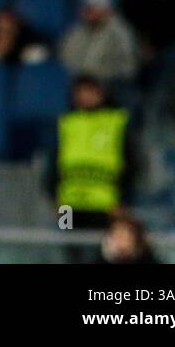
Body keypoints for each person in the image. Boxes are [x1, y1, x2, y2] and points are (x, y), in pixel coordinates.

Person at [46, 75, 141, 243]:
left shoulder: (116, 121)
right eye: (81, 91)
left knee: (102, 248)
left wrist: (124, 201)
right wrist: (55, 198)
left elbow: (132, 165)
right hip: (68, 205)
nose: (85, 96)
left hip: (105, 204)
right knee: (68, 245)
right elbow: (53, 164)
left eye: (90, 90)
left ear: (101, 93)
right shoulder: (66, 123)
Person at [59, 0, 140, 91]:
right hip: (81, 83)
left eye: (94, 8)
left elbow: (129, 67)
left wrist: (98, 79)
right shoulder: (76, 31)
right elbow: (66, 59)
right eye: (87, 8)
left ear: (106, 10)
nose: (89, 13)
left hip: (112, 85)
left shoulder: (120, 32)